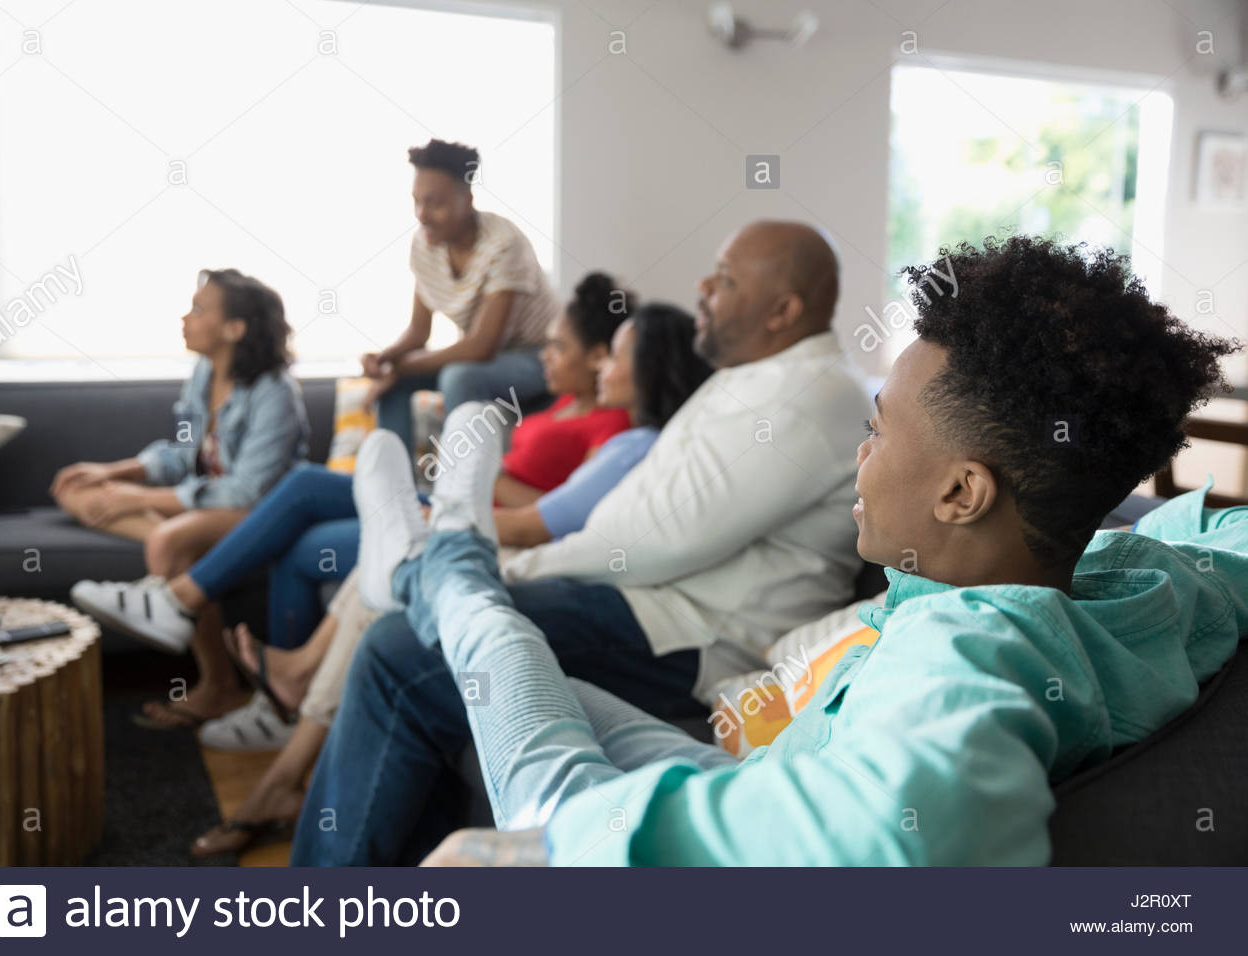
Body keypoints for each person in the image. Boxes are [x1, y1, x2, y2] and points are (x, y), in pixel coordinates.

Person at [393, 235, 1244, 867]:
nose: (860, 456)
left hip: (605, 835)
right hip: (758, 774)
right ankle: (439, 560)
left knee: (492, 641)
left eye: (876, 433)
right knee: (539, 671)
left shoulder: (973, 645)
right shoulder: (1153, 579)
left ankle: (443, 555)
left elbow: (920, 825)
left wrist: (535, 854)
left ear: (960, 494)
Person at [291, 219, 873, 865]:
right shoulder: (752, 377)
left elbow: (654, 540)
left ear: (784, 310)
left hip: (691, 634)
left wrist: (521, 567)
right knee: (415, 643)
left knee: (403, 648)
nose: (703, 287)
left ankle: (425, 566)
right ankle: (432, 565)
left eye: (726, 278)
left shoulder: (807, 399)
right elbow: (638, 515)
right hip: (646, 601)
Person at [189, 303, 713, 857]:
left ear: (651, 367)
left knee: (363, 566)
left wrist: (467, 499)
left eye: (613, 354)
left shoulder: (627, 440)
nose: (574, 360)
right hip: (477, 509)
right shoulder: (581, 415)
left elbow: (551, 521)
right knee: (311, 503)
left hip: (504, 527)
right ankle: (419, 559)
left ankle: (416, 563)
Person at [70, 273, 634, 727]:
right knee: (303, 537)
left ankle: (186, 606)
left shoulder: (612, 427)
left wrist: (474, 477)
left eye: (558, 347)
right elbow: (184, 449)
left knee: (304, 488)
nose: (543, 357)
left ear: (600, 357)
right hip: (448, 498)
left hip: (467, 516)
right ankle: (276, 695)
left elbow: (564, 512)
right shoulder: (555, 410)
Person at [60, 269, 308, 726]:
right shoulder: (203, 375)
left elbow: (247, 490)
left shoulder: (276, 392)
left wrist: (138, 501)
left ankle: (217, 686)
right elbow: (181, 451)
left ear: (236, 328)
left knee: (171, 539)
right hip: (206, 508)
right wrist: (115, 472)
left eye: (198, 309)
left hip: (257, 513)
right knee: (76, 489)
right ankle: (171, 547)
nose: (185, 317)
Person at [363, 138, 559, 453]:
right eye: (417, 202)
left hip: (538, 356)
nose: (422, 214)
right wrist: (385, 359)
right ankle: (397, 493)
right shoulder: (425, 243)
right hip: (489, 357)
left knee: (459, 377)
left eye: (434, 203)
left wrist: (401, 366)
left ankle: (457, 491)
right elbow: (418, 331)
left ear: (466, 200)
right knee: (395, 385)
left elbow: (481, 347)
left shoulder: (505, 244)